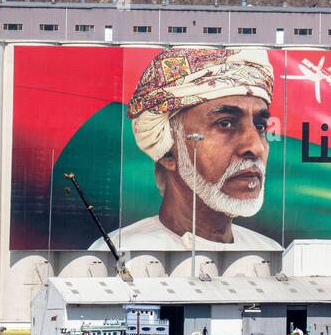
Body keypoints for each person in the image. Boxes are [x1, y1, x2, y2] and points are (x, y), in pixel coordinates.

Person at [91, 46, 279, 258]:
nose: (256, 147)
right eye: (225, 124)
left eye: (261, 126)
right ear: (168, 153)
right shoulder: (120, 254)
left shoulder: (271, 253)